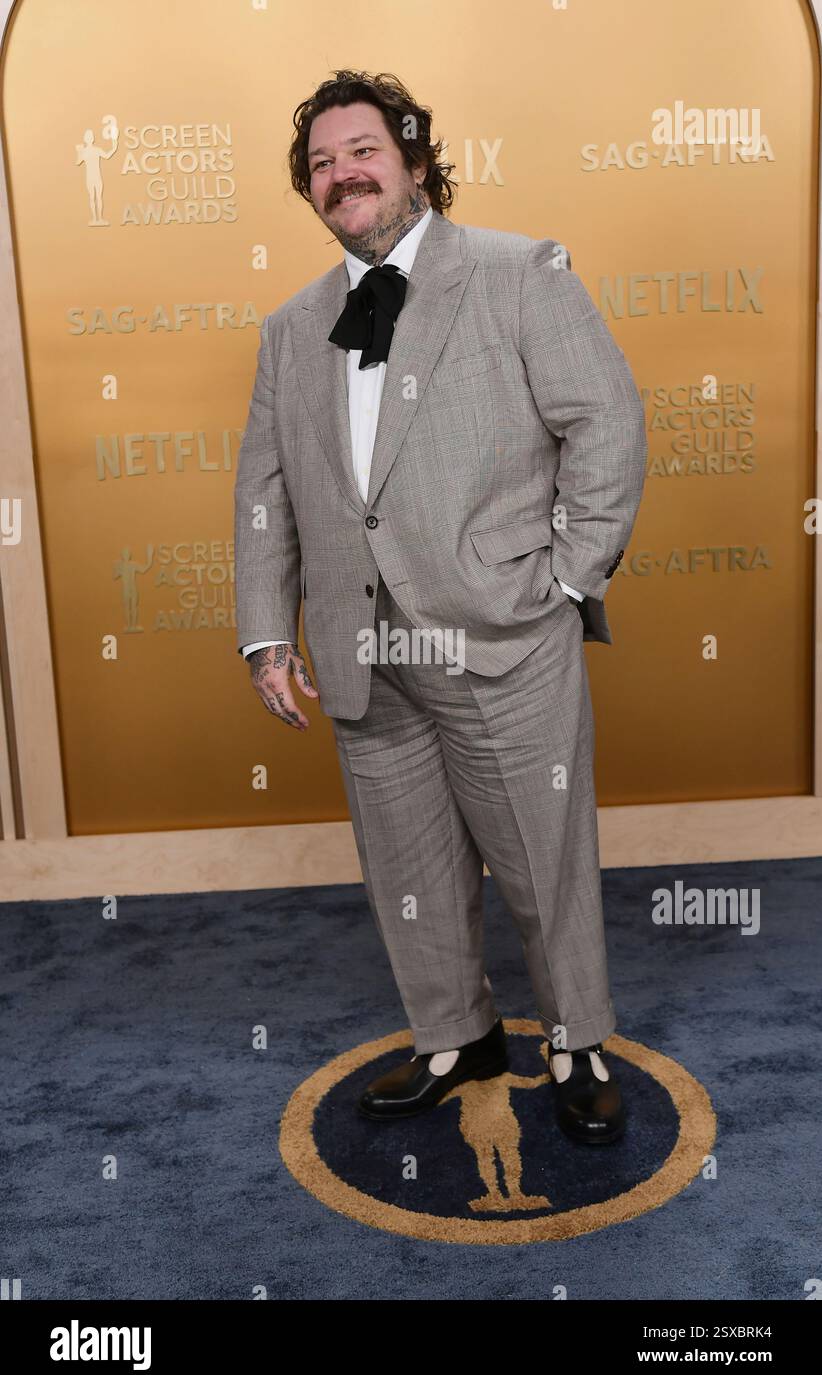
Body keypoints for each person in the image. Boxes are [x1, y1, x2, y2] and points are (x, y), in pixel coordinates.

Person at [233, 70, 647, 1144]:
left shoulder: (518, 273)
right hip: (366, 652)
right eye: (322, 163)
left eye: (363, 150)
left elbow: (606, 420)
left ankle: (579, 1043)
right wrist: (268, 632)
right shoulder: (290, 329)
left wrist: (564, 576)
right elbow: (266, 490)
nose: (342, 173)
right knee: (406, 864)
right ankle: (453, 1035)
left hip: (501, 634)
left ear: (415, 163)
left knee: (540, 858)